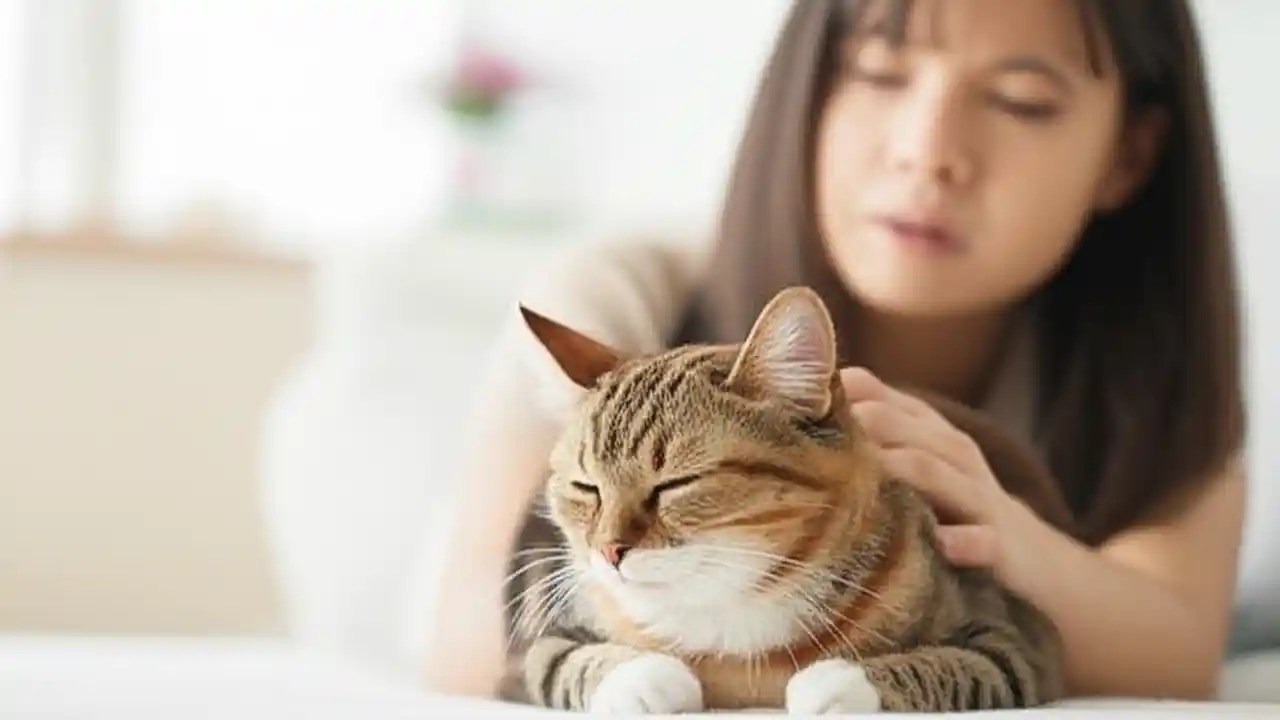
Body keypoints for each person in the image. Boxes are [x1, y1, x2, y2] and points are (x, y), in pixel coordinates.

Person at [423, 0, 1247, 703]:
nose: (926, 150)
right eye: (881, 74)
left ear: (1130, 154)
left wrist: (1007, 539)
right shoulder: (617, 295)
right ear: (804, 91)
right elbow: (465, 646)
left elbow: (1181, 656)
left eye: (1021, 100)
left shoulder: (1157, 367)